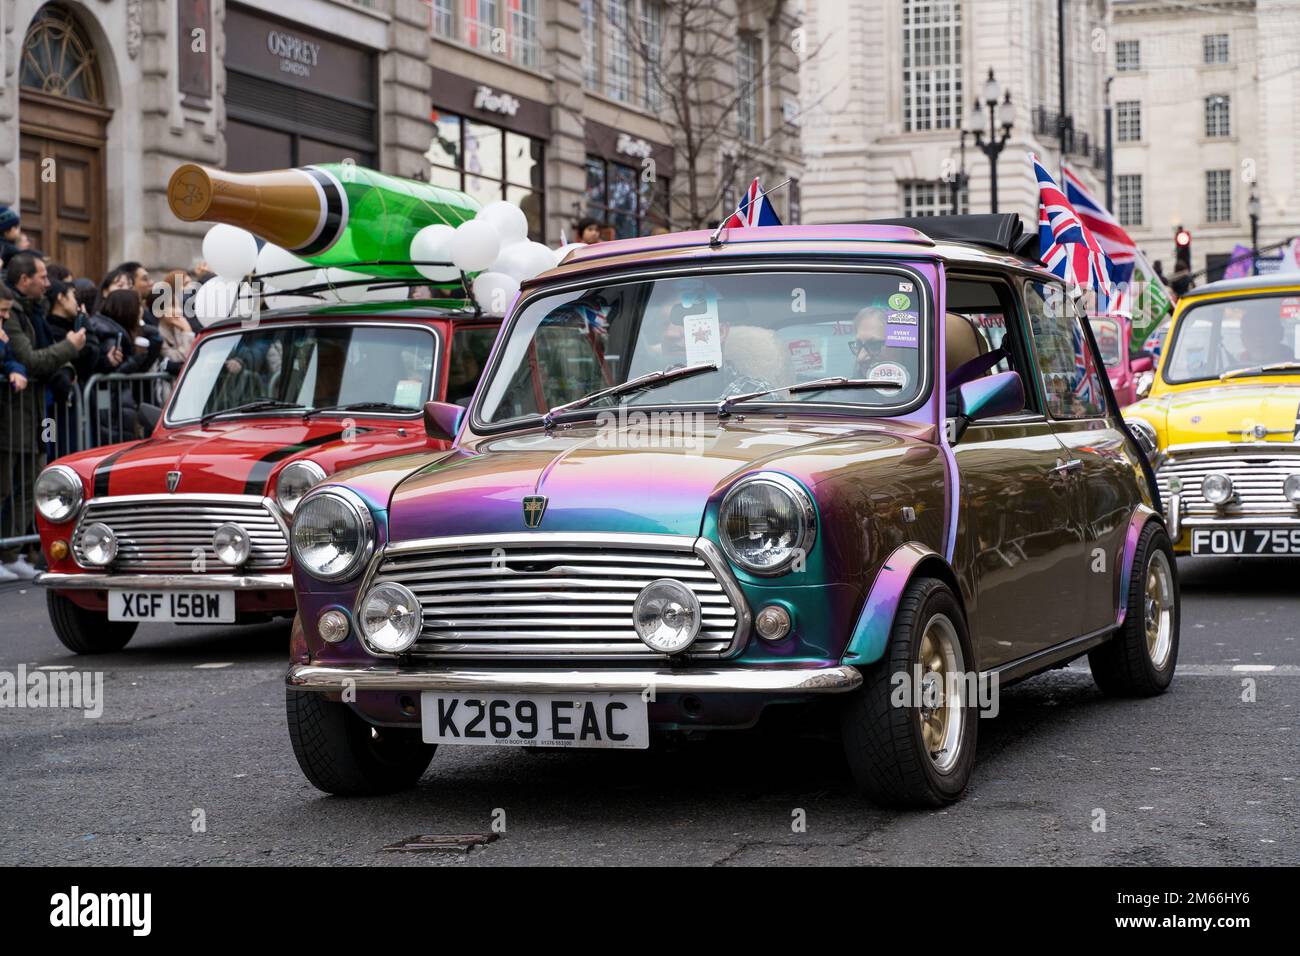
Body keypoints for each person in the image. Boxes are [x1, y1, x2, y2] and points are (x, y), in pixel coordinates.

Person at [1, 253, 87, 579]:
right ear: (24, 280)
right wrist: (69, 348)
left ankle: (11, 553)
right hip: (13, 413)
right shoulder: (13, 312)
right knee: (6, 486)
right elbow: (28, 358)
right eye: (42, 276)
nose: (48, 283)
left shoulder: (34, 312)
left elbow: (48, 353)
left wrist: (65, 363)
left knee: (30, 483)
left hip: (39, 416)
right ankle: (7, 549)